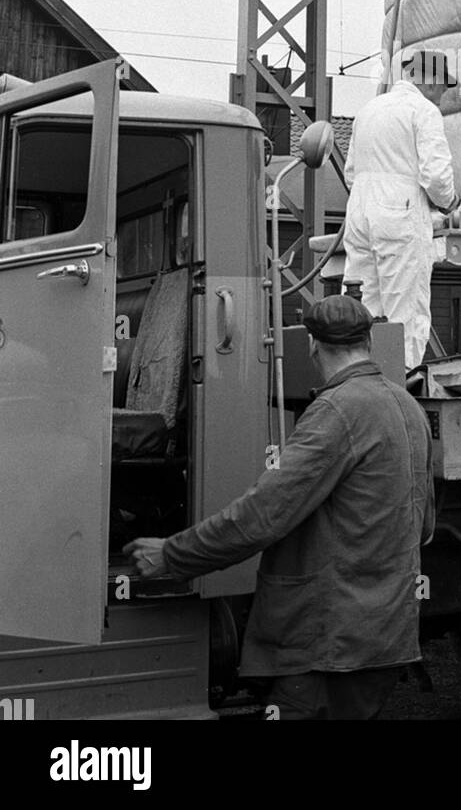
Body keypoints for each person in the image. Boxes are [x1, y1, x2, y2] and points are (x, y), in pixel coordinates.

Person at [124, 294, 434, 722]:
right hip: (386, 639)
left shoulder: (336, 411)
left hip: (330, 646)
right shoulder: (409, 408)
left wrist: (173, 554)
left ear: (312, 345)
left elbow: (263, 515)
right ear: (369, 341)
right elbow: (424, 526)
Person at [344, 48, 458, 370]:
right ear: (432, 82)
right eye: (442, 87)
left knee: (363, 302)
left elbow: (351, 172)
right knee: (405, 309)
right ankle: (401, 382)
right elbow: (436, 176)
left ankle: (357, 373)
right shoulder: (423, 111)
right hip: (399, 211)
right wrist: (449, 204)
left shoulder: (369, 109)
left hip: (360, 211)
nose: (441, 96)